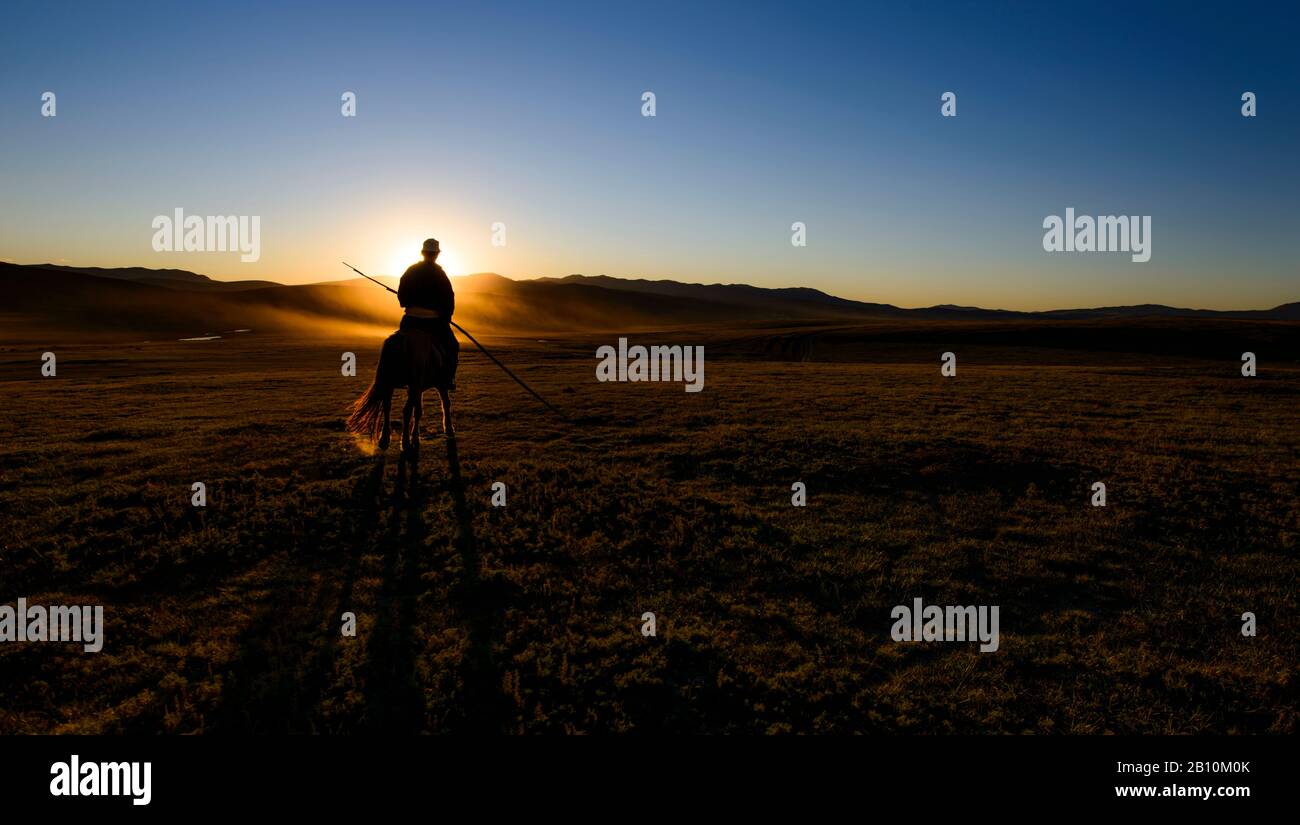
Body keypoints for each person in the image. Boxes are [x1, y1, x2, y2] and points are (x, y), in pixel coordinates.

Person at [398, 238, 459, 388]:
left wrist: (409, 302)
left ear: (422, 253)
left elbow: (402, 295)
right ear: (437, 254)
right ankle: (447, 379)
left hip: (410, 320)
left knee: (398, 345)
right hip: (433, 322)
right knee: (453, 346)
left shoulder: (410, 271)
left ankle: (397, 375)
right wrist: (446, 317)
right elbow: (449, 298)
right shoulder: (440, 274)